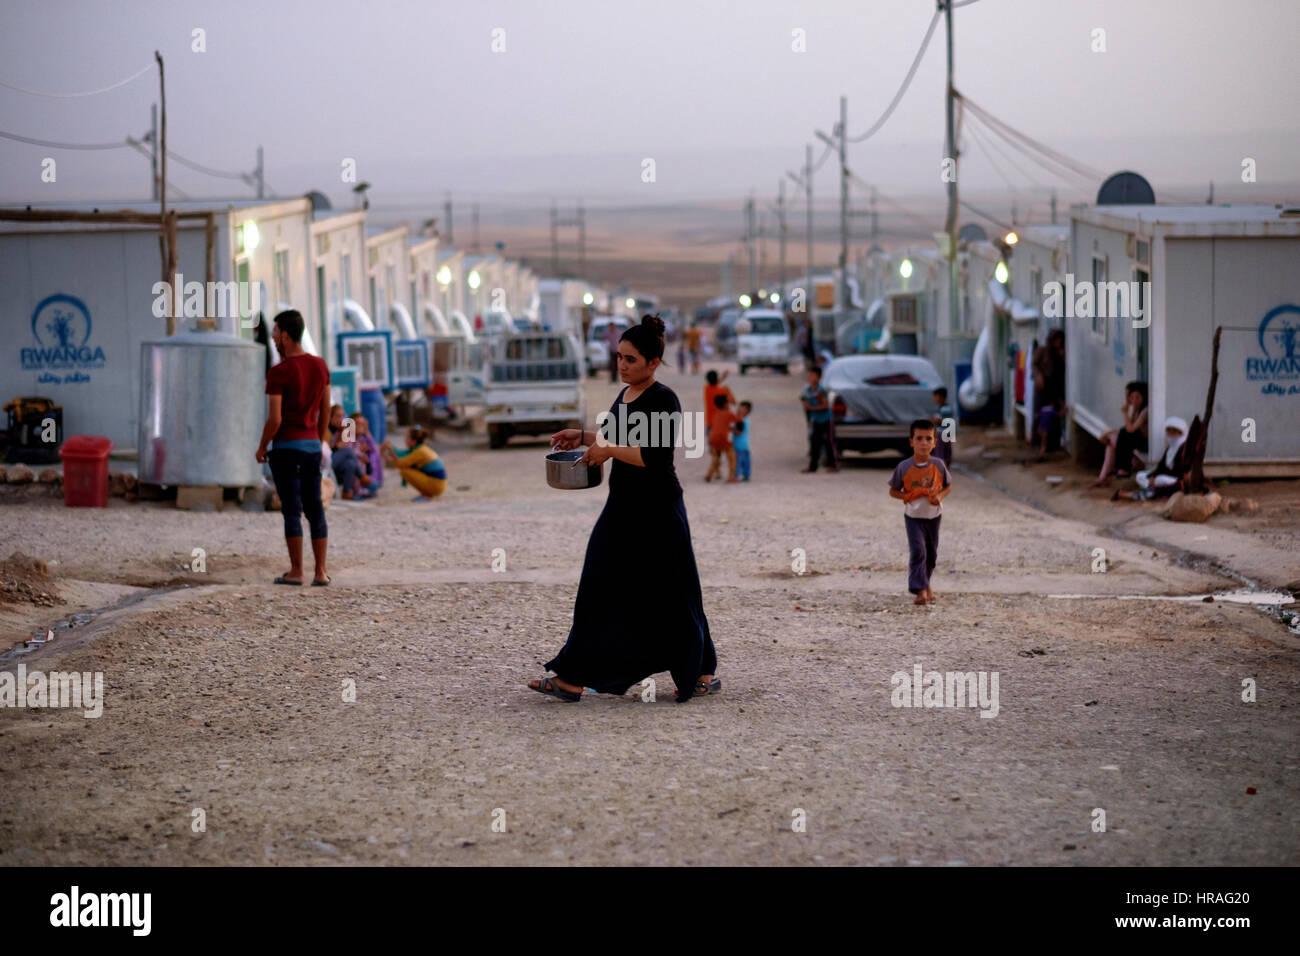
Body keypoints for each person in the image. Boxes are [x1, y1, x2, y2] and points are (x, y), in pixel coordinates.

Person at [529, 314, 719, 704]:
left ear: (653, 362)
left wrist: (610, 450)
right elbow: (618, 438)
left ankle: (701, 669)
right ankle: (571, 678)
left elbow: (657, 456)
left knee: (675, 591)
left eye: (631, 359)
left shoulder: (664, 398)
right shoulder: (626, 394)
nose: (622, 365)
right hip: (622, 508)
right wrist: (582, 436)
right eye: (619, 357)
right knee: (598, 586)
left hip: (658, 510)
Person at [256, 309, 331, 586]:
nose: (273, 337)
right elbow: (326, 410)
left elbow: (275, 419)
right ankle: (321, 572)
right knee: (315, 509)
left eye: (275, 332)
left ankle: (297, 571)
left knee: (292, 509)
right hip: (312, 446)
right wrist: (320, 441)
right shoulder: (320, 366)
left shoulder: (279, 372)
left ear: (286, 336)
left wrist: (262, 446)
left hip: (287, 448)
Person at [888, 420, 952, 605]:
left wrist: (939, 497)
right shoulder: (904, 467)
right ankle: (920, 591)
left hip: (934, 516)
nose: (924, 443)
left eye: (928, 439)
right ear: (911, 442)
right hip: (913, 517)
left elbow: (948, 487)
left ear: (935, 442)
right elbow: (893, 491)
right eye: (919, 438)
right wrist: (906, 496)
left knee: (931, 554)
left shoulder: (939, 465)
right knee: (918, 551)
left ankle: (926, 584)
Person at [1114, 417, 1189, 501]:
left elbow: (1180, 471)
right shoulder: (1170, 448)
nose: (1170, 434)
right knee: (1140, 476)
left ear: (1181, 433)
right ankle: (1154, 488)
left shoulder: (1184, 448)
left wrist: (1157, 478)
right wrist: (1152, 476)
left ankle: (1153, 490)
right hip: (1165, 476)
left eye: (1174, 431)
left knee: (1161, 480)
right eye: (1169, 431)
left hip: (1175, 479)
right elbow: (1161, 466)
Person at [1092, 381, 1149, 487]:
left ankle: (1121, 469)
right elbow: (1128, 428)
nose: (1132, 400)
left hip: (1146, 444)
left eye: (1137, 397)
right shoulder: (1137, 409)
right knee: (1113, 440)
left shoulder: (1145, 410)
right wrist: (1107, 433)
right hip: (1137, 440)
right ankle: (1106, 475)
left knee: (1117, 438)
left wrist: (1124, 413)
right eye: (1131, 397)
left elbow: (1130, 429)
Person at [381, 426, 447, 501]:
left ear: (413, 441)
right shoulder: (421, 449)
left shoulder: (419, 452)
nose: (405, 440)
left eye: (407, 438)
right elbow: (400, 456)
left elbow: (400, 464)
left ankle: (426, 495)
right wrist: (387, 451)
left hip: (436, 485)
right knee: (406, 468)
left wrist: (390, 449)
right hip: (439, 484)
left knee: (405, 471)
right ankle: (427, 493)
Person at [1029, 329, 1066, 456]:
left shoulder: (1059, 353)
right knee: (1041, 414)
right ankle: (1039, 442)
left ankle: (1052, 443)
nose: (1058, 342)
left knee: (1053, 414)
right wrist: (1038, 375)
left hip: (1054, 388)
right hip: (1043, 387)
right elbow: (1034, 364)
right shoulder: (1043, 350)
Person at [800, 366, 838, 473]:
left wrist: (812, 408)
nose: (810, 377)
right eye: (810, 375)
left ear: (818, 377)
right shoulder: (807, 390)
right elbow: (803, 400)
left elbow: (825, 405)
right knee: (815, 443)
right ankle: (813, 466)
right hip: (816, 419)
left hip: (826, 419)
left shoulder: (821, 390)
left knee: (829, 442)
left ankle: (833, 465)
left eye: (813, 375)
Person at [705, 393, 740, 483]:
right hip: (723, 439)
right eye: (728, 402)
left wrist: (730, 429)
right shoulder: (729, 414)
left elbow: (720, 426)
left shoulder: (716, 414)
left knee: (715, 459)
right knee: (732, 458)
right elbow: (738, 421)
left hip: (713, 438)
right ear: (725, 404)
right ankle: (731, 477)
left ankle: (709, 474)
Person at [351, 414, 383, 499]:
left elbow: (375, 450)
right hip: (349, 465)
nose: (360, 427)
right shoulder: (349, 436)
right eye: (357, 424)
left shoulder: (361, 438)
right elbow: (349, 449)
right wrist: (360, 453)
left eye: (363, 424)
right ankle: (359, 489)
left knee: (374, 455)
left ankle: (371, 482)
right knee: (360, 460)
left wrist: (367, 432)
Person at [702, 368, 733, 434]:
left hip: (709, 421)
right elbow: (733, 402)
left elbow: (715, 383)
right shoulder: (722, 391)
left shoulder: (706, 389)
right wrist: (728, 391)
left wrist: (723, 377)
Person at [932, 386, 954, 465]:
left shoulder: (945, 408)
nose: (934, 398)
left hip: (943, 434)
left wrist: (935, 421)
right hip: (944, 434)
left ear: (941, 397)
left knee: (941, 455)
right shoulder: (941, 408)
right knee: (945, 455)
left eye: (935, 396)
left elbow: (946, 421)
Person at [733, 400, 753, 481]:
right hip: (744, 446)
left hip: (740, 446)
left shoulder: (741, 420)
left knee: (739, 462)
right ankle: (746, 475)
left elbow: (738, 431)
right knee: (745, 461)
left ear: (746, 411)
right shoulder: (744, 420)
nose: (738, 410)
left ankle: (738, 475)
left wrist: (730, 429)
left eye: (741, 409)